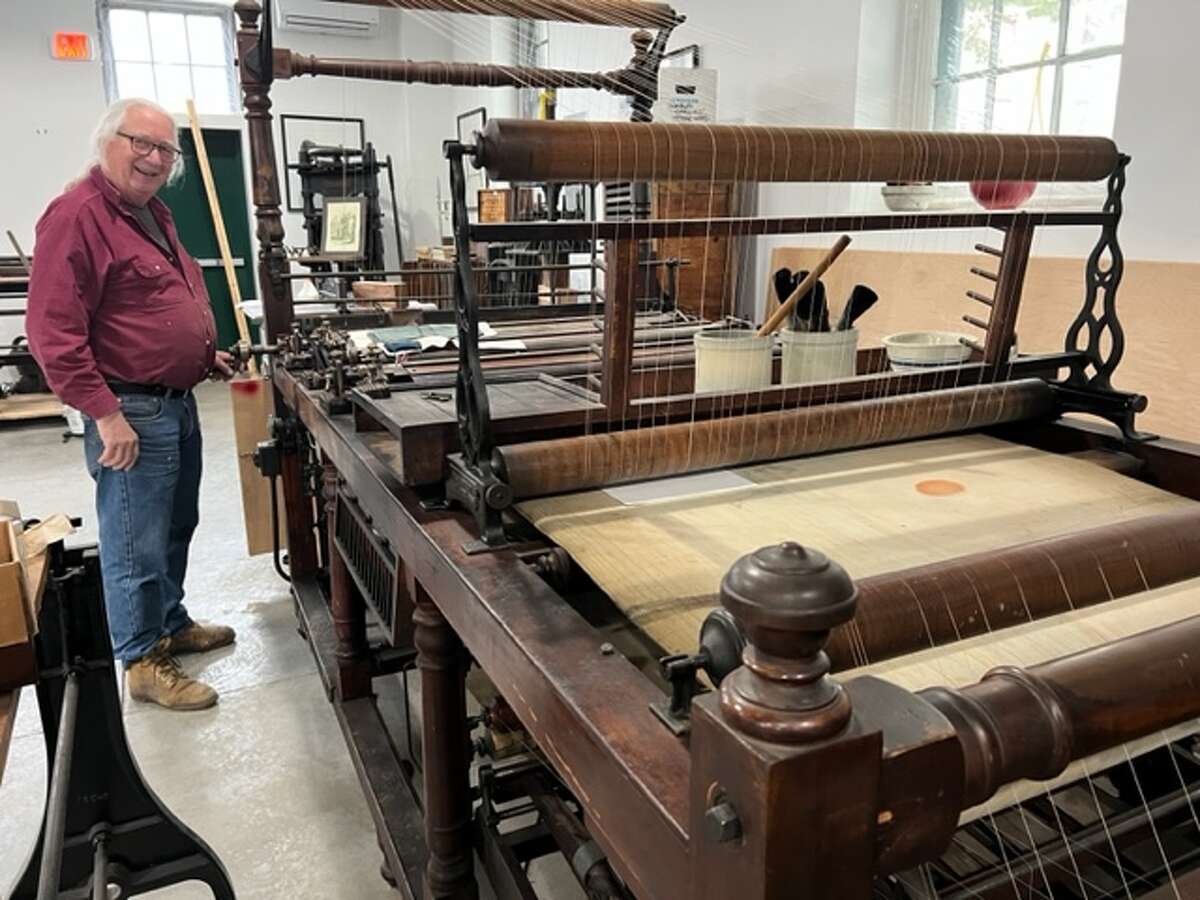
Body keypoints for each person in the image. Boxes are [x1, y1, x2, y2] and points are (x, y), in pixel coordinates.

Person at [27, 98, 237, 711]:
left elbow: (146, 309)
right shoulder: (78, 215)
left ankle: (168, 623)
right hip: (131, 411)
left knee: (175, 526)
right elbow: (52, 334)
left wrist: (202, 358)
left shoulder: (151, 213)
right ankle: (142, 659)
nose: (152, 157)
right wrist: (105, 413)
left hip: (175, 402)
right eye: (139, 142)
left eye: (164, 150)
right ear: (106, 142)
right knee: (134, 540)